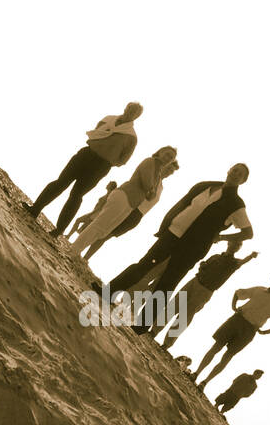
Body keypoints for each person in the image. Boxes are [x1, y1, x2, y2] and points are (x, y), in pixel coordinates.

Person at [107, 163, 254, 332]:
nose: (236, 174)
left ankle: (142, 325)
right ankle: (108, 292)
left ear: (243, 181)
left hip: (193, 248)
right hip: (172, 233)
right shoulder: (205, 185)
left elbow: (248, 233)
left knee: (167, 282)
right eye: (235, 170)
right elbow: (182, 205)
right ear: (229, 170)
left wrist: (220, 237)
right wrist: (164, 226)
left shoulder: (236, 204)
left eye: (240, 174)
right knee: (144, 264)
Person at [29, 103, 142, 236]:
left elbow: (123, 160)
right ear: (126, 108)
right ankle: (35, 209)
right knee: (60, 182)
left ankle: (59, 230)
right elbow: (95, 133)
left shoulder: (132, 137)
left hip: (101, 166)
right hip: (86, 154)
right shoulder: (108, 119)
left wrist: (107, 157)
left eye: (135, 112)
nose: (131, 112)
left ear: (137, 116)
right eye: (130, 108)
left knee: (77, 195)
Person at [73, 148, 178, 259]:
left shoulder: (158, 173)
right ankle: (74, 249)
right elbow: (147, 185)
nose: (168, 158)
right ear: (160, 152)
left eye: (171, 158)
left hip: (131, 204)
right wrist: (151, 188)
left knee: (104, 230)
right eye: (167, 154)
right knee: (99, 224)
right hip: (124, 195)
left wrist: (152, 188)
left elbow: (151, 196)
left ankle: (77, 251)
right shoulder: (150, 162)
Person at [193, 274, 270, 389]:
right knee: (216, 347)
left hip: (250, 330)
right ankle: (196, 373)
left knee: (228, 356)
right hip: (237, 319)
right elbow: (238, 293)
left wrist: (264, 332)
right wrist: (234, 306)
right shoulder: (259, 289)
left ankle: (205, 382)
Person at [159, 239, 257, 347]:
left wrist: (251, 256)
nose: (235, 245)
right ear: (229, 243)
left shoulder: (233, 263)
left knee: (185, 316)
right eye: (234, 242)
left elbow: (242, 262)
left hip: (206, 290)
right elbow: (203, 265)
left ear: (239, 248)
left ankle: (166, 344)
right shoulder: (216, 256)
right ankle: (154, 331)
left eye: (238, 245)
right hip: (194, 282)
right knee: (173, 306)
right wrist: (203, 267)